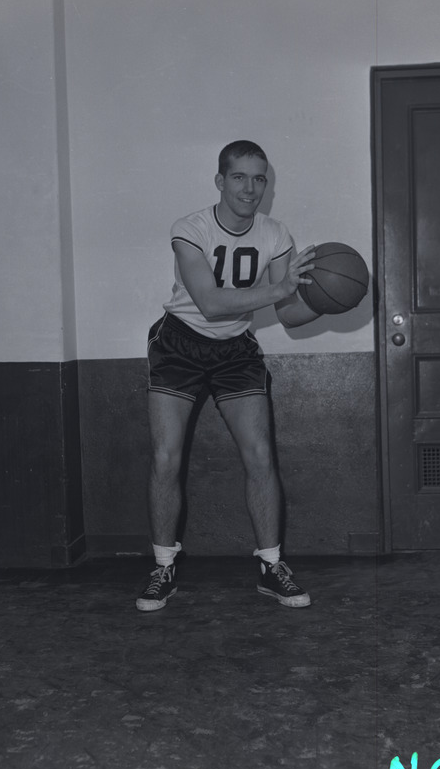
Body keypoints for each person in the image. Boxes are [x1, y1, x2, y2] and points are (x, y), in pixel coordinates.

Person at [137, 140, 321, 612]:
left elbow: (289, 313)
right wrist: (277, 287)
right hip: (180, 342)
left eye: (260, 178)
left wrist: (329, 297)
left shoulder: (276, 235)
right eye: (240, 177)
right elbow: (210, 303)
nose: (250, 187)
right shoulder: (190, 229)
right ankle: (163, 567)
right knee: (165, 457)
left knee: (260, 455)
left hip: (236, 349)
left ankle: (271, 566)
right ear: (220, 181)